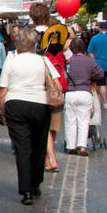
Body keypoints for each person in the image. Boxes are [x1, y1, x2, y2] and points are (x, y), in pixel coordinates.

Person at [0, 27, 52, 205]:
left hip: (16, 103)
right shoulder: (43, 61)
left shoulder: (11, 61)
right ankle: (35, 183)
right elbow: (56, 81)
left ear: (17, 42)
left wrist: (2, 111)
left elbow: (3, 90)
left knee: (22, 148)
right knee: (39, 146)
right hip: (40, 103)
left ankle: (26, 190)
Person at [63, 36, 104, 155]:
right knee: (84, 120)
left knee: (70, 120)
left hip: (70, 93)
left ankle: (71, 146)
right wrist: (90, 76)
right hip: (85, 92)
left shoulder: (68, 61)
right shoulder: (89, 61)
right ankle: (82, 146)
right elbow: (100, 73)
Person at [43, 30, 68, 172]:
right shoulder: (61, 55)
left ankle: (51, 158)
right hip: (59, 95)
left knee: (46, 129)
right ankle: (49, 159)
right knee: (53, 129)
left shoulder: (45, 57)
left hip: (47, 96)